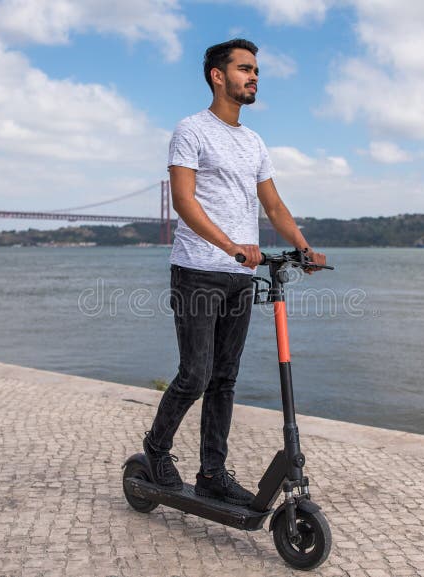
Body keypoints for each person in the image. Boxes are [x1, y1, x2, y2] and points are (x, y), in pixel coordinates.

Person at [143, 38, 326, 505]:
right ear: (217, 75)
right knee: (195, 374)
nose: (254, 77)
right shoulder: (191, 130)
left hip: (241, 276)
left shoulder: (254, 142)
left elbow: (273, 204)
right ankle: (156, 448)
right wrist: (231, 247)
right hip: (197, 270)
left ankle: (212, 472)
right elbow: (183, 201)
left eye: (256, 70)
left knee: (225, 378)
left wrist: (304, 249)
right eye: (245, 69)